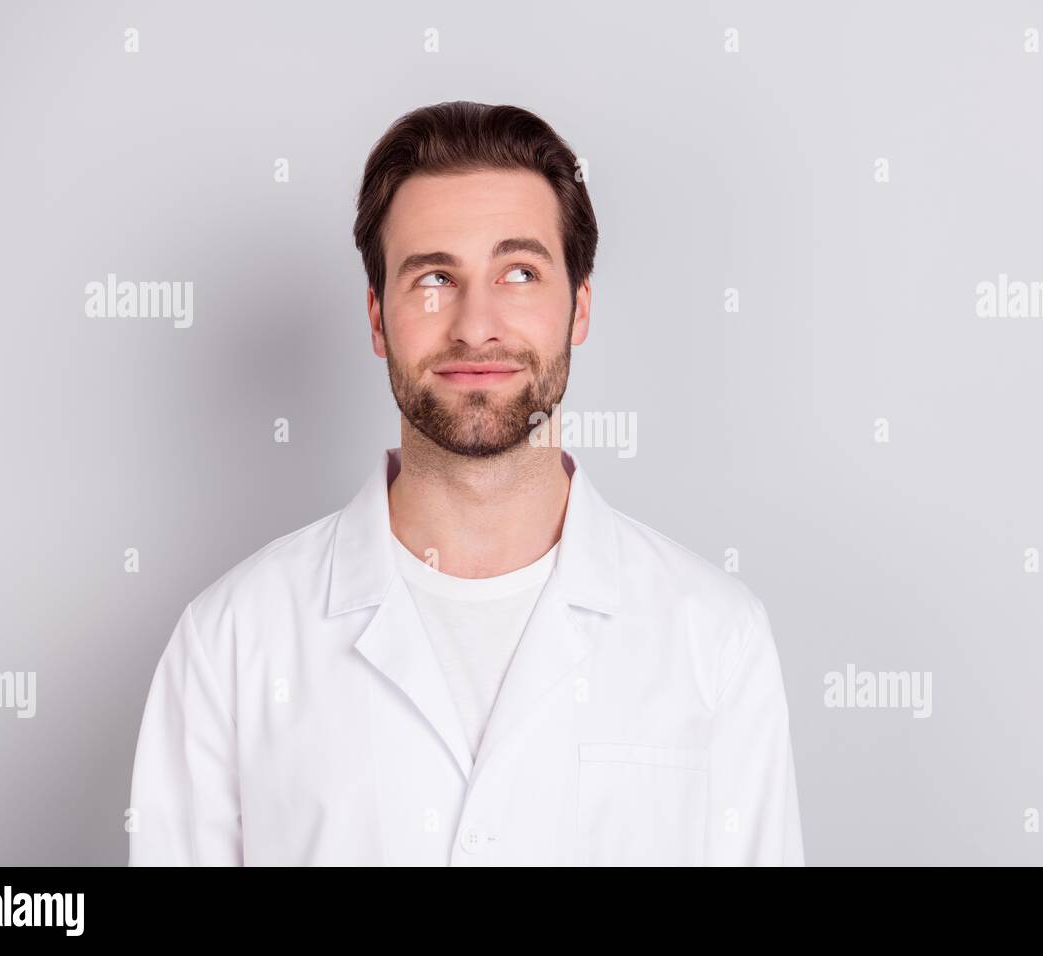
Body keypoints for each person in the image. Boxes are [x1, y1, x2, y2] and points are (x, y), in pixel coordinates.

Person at [128, 100, 804, 866]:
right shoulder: (231, 643)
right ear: (378, 318)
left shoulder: (715, 640)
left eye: (519, 272)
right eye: (433, 277)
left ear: (578, 308)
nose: (475, 325)